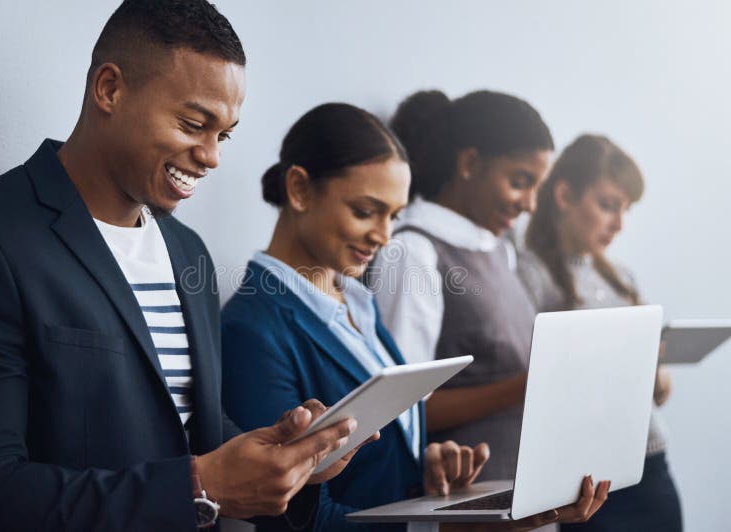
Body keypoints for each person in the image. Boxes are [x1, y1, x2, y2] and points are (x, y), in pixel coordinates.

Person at [0, 2, 362, 531]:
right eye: (192, 124)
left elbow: (190, 430)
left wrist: (285, 460)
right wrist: (201, 486)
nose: (212, 157)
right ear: (109, 90)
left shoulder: (188, 251)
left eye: (223, 135)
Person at [222, 103, 609, 532]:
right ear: (299, 189)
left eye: (394, 216)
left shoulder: (358, 303)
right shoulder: (251, 328)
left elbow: (371, 465)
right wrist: (458, 527)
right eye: (365, 211)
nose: (384, 237)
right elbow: (294, 519)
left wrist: (424, 468)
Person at [370, 90, 553, 482]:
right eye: (520, 182)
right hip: (466, 500)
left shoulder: (497, 249)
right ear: (469, 163)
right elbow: (401, 409)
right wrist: (526, 385)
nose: (530, 205)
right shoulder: (413, 251)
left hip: (525, 491)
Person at [517, 134, 682, 532]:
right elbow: (536, 385)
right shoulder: (527, 274)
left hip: (650, 465)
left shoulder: (620, 277)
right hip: (586, 487)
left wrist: (655, 373)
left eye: (626, 209)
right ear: (564, 194)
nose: (619, 224)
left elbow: (657, 393)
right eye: (608, 205)